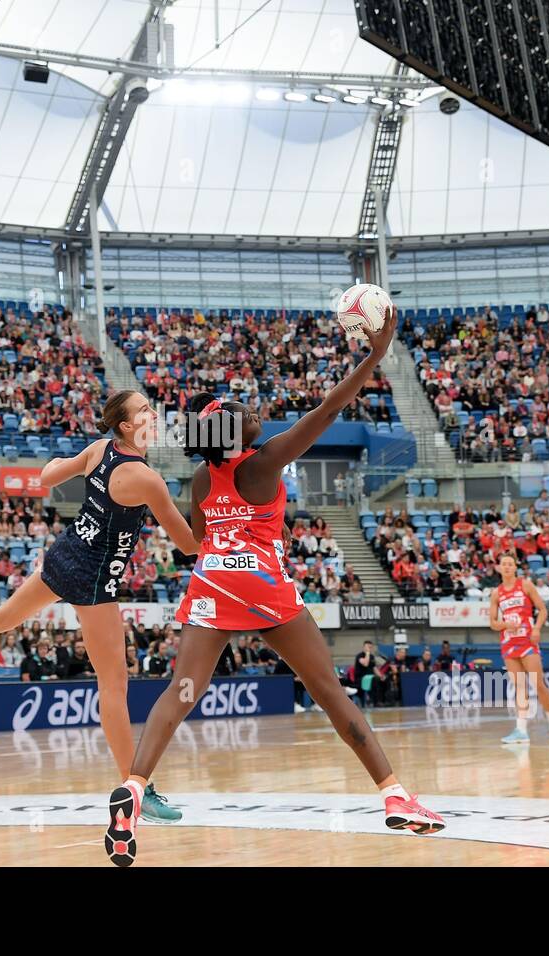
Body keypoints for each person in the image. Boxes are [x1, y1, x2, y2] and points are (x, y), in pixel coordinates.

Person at [103, 316, 443, 867]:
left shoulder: (199, 478)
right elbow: (328, 411)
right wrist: (372, 358)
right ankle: (394, 795)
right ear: (231, 433)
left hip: (213, 577)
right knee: (330, 691)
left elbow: (199, 541)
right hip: (260, 582)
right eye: (243, 412)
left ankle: (136, 789)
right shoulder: (262, 463)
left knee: (181, 694)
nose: (254, 412)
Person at [0, 390, 199, 822]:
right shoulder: (147, 479)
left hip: (65, 554)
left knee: (3, 618)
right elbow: (188, 544)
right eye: (145, 410)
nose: (153, 413)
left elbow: (45, 477)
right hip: (94, 579)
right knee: (113, 686)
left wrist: (59, 468)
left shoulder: (100, 449)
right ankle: (136, 790)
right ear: (128, 426)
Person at [488, 553, 549, 743]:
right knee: (519, 686)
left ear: (515, 568)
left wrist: (537, 629)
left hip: (528, 641)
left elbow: (543, 610)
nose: (506, 567)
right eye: (503, 564)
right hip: (509, 643)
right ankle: (521, 730)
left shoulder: (526, 585)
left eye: (510, 564)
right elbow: (492, 623)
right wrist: (506, 625)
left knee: (538, 685)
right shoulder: (496, 593)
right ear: (499, 568)